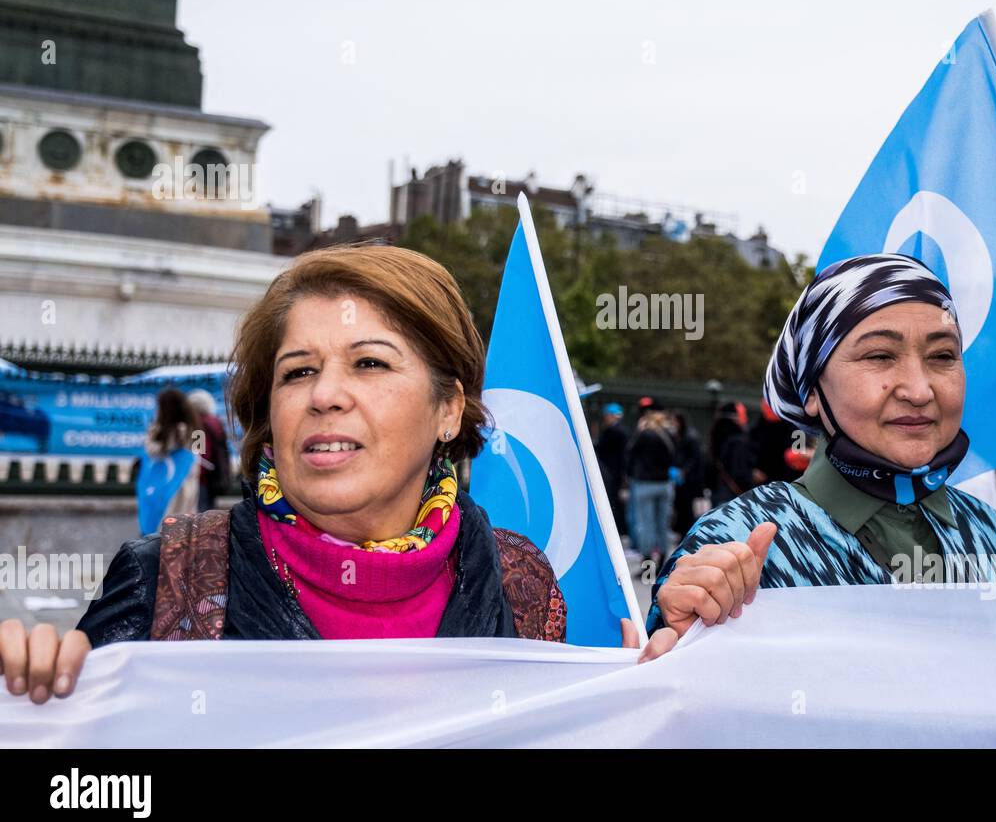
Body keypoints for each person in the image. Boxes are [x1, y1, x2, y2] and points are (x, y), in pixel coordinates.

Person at [3, 243, 677, 705]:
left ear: (448, 409)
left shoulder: (525, 582)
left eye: (370, 364)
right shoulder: (165, 579)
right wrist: (33, 688)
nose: (324, 395)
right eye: (298, 371)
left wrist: (640, 700)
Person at [646, 253, 996, 636]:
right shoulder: (738, 544)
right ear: (813, 391)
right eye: (880, 357)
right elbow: (674, 699)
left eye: (942, 356)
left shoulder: (993, 535)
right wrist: (682, 621)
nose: (919, 389)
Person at [136, 388, 201, 535]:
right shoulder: (194, 429)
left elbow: (152, 450)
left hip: (168, 487)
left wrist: (154, 431)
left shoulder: (169, 430)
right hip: (187, 486)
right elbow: (199, 454)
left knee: (158, 532)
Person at [626, 409, 677, 569]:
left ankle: (647, 568)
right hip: (664, 483)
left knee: (646, 525)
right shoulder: (670, 435)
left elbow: (630, 450)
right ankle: (663, 563)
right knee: (662, 524)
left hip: (645, 484)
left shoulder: (645, 435)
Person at [188, 388, 231, 513]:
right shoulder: (215, 421)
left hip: (203, 479)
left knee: (200, 514)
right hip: (215, 475)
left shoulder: (198, 424)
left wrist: (197, 475)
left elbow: (200, 453)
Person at [709, 401, 756, 506]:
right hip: (734, 498)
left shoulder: (717, 438)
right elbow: (740, 472)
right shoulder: (739, 441)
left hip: (718, 493)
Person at [594, 402, 629, 537]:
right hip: (615, 472)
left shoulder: (612, 432)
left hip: (611, 472)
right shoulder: (622, 431)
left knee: (612, 501)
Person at [670, 411, 705, 536]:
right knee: (682, 507)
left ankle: (687, 532)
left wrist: (684, 471)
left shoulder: (690, 437)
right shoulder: (680, 436)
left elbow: (695, 459)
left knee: (687, 508)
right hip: (683, 479)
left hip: (689, 480)